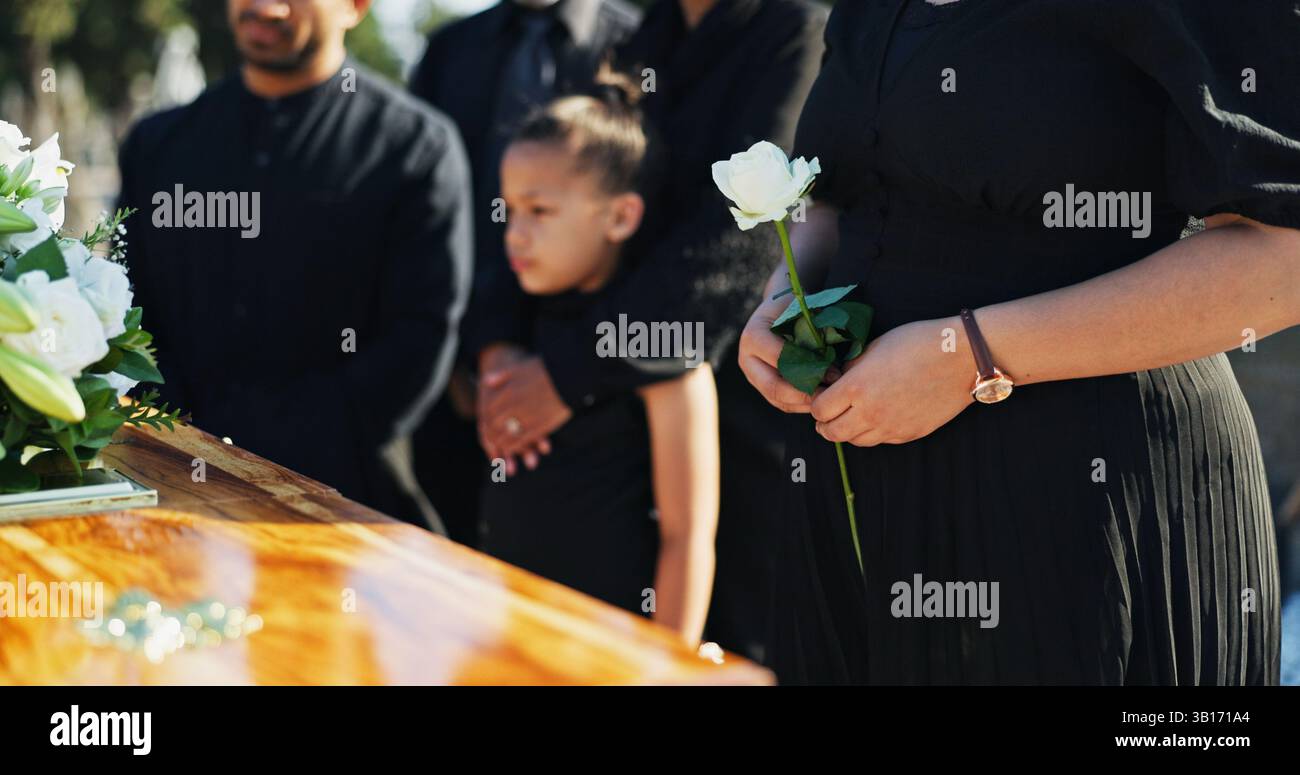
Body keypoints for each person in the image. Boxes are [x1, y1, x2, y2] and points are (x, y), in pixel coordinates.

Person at [740, 0, 1300, 684]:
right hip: (861, 495)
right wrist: (782, 305)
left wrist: (968, 355)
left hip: (1084, 500)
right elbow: (841, 194)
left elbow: (1284, 258)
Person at [474, 0, 826, 664]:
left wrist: (565, 373)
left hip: (733, 397)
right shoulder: (637, 35)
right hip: (592, 405)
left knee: (724, 638)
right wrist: (502, 354)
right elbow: (552, 189)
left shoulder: (796, 35)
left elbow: (736, 243)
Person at [118, 0, 472, 527]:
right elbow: (130, 314)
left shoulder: (414, 148)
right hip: (170, 496)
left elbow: (418, 337)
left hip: (343, 511)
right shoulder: (159, 145)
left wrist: (261, 452)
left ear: (355, 7)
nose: (266, 7)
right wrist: (185, 437)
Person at [480, 77, 719, 643]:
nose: (515, 234)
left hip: (610, 643)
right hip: (506, 626)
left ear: (620, 217)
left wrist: (669, 666)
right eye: (509, 210)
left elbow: (687, 536)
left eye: (539, 210)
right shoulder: (522, 325)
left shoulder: (667, 359)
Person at [408, 0, 640, 545]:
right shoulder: (448, 52)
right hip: (454, 383)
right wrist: (486, 353)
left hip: (593, 401)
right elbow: (419, 216)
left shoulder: (639, 47)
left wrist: (565, 370)